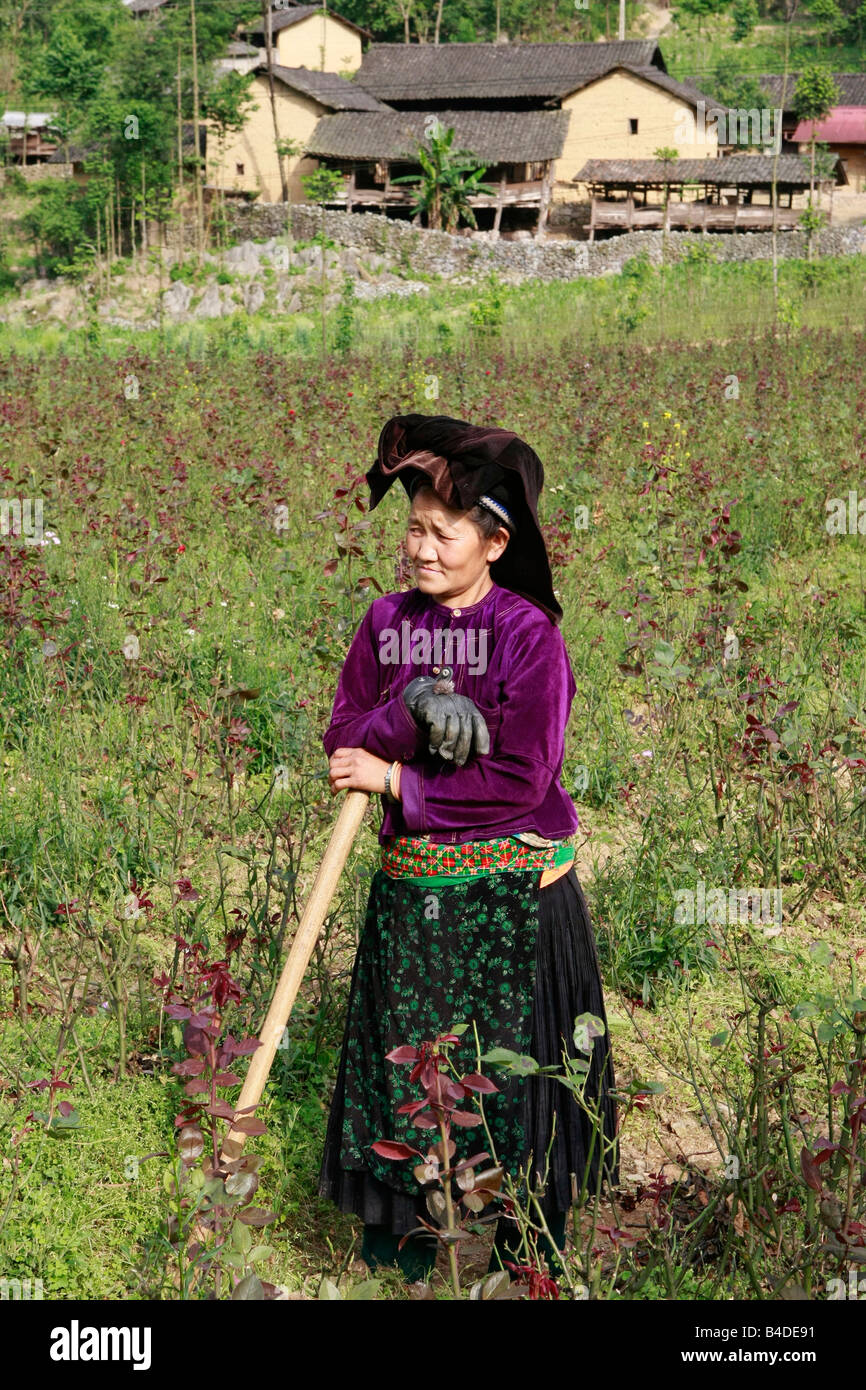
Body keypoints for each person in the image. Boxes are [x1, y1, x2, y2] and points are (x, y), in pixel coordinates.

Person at [318, 413, 619, 1284]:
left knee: (519, 1083)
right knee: (410, 1076)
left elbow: (523, 779)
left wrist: (405, 787)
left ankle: (526, 1257)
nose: (419, 548)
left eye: (441, 534)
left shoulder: (530, 637)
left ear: (494, 541)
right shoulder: (384, 625)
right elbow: (345, 746)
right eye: (411, 528)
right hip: (417, 897)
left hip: (520, 897)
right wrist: (403, 706)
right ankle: (405, 1257)